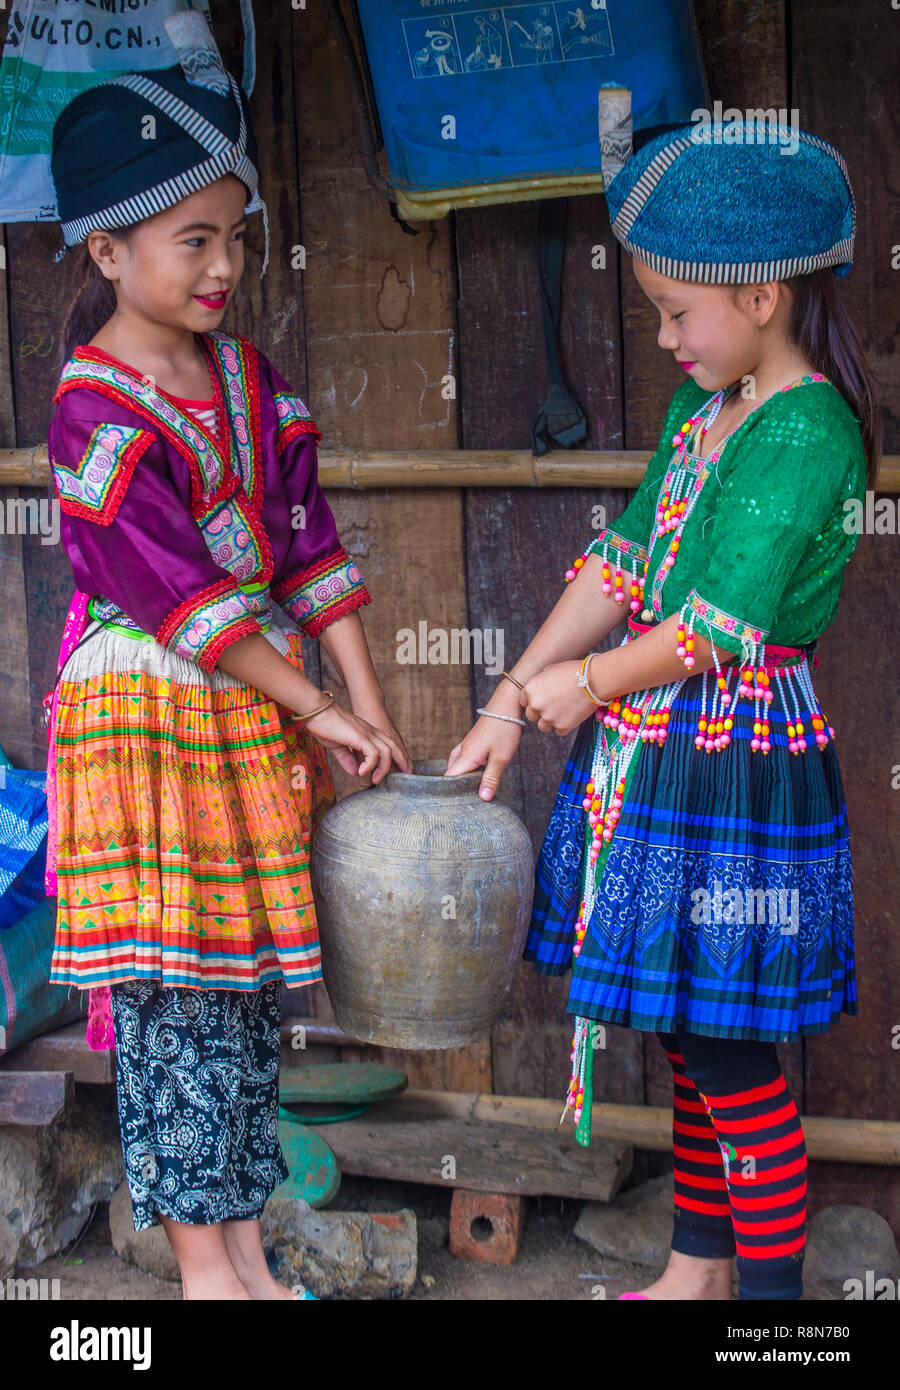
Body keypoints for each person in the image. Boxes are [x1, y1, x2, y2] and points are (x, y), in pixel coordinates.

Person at [445, 120, 879, 1301]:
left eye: (679, 309)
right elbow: (622, 566)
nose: (664, 335)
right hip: (659, 754)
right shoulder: (710, 417)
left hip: (735, 763)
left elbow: (708, 632)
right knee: (690, 1027)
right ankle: (696, 1274)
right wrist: (506, 697)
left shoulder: (810, 433)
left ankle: (776, 1312)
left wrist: (572, 690)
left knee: (732, 1047)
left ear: (764, 295)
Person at [43, 61, 411, 1300]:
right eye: (192, 240)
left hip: (247, 714)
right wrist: (317, 704)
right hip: (149, 722)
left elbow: (308, 549)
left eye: (235, 242)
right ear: (105, 251)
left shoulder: (247, 381)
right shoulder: (94, 410)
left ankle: (250, 1260)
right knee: (175, 1003)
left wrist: (364, 699)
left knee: (247, 1002)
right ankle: (209, 1275)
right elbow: (183, 602)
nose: (221, 268)